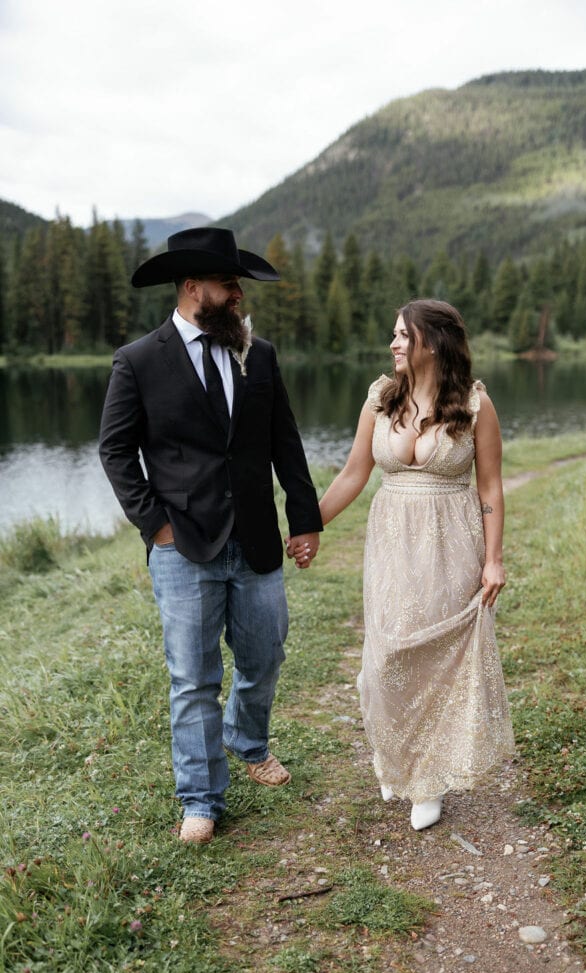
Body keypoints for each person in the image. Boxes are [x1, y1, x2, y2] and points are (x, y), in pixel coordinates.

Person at [99, 227, 322, 844]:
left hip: (255, 539)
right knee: (194, 678)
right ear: (195, 288)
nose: (238, 296)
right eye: (230, 285)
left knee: (266, 654)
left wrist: (304, 519)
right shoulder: (139, 360)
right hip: (183, 546)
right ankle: (201, 799)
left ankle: (247, 739)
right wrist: (156, 524)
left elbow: (286, 443)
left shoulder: (261, 355)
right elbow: (115, 452)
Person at [297, 298, 514, 831]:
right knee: (387, 654)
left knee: (437, 655)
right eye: (393, 335)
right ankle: (396, 755)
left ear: (432, 342)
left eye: (402, 335)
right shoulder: (379, 399)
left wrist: (493, 560)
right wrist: (309, 524)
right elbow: (352, 473)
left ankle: (428, 781)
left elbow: (489, 486)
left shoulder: (475, 404)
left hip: (451, 540)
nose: (393, 344)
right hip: (393, 541)